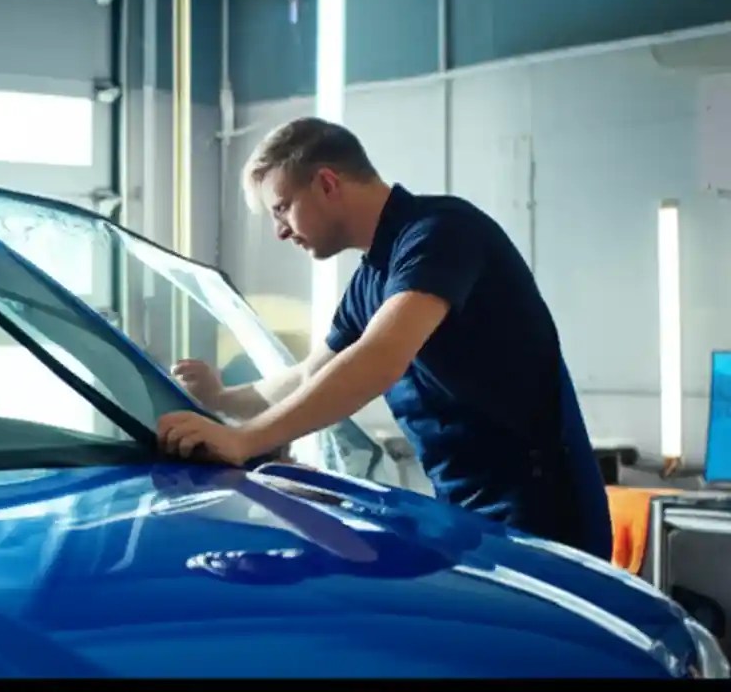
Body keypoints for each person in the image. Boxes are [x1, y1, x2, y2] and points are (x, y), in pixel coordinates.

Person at [156, 116, 612, 559]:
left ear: (327, 184)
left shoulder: (442, 233)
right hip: (465, 512)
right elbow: (308, 375)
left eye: (281, 208)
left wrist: (246, 440)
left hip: (543, 514)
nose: (280, 231)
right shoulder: (374, 277)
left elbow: (379, 357)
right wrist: (221, 399)